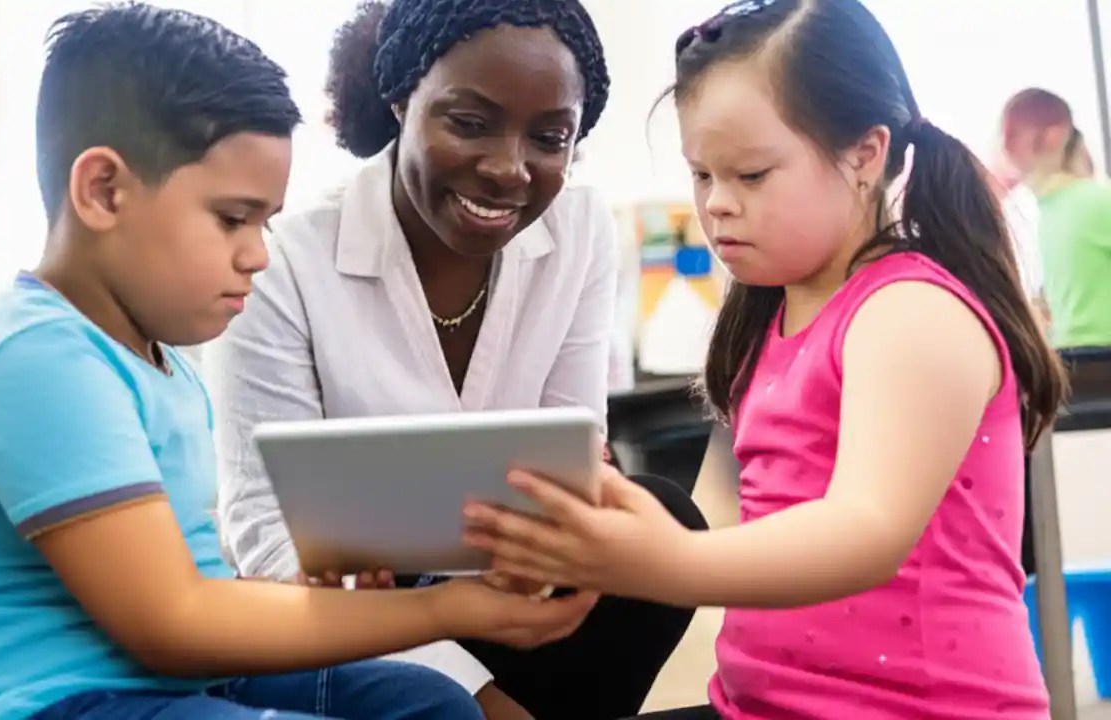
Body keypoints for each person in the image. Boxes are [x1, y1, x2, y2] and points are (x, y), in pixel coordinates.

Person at [0, 5, 600, 719]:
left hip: (141, 682)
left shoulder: (157, 362)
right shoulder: (33, 357)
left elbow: (201, 591)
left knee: (426, 703)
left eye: (266, 222)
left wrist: (324, 590)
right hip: (21, 702)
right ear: (104, 190)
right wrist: (444, 607)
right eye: (233, 219)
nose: (259, 255)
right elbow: (171, 621)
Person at [462, 1, 1069, 718]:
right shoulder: (773, 312)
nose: (717, 205)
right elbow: (759, 528)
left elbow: (866, 530)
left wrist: (662, 560)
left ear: (865, 155)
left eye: (750, 175)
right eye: (702, 175)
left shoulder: (912, 311)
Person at [209, 1, 704, 718]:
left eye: (550, 137)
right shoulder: (285, 258)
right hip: (354, 609)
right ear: (401, 98)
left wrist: (531, 566)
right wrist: (467, 683)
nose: (510, 170)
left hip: (513, 578)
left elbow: (574, 452)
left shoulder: (580, 229)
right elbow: (263, 531)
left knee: (665, 521)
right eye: (469, 123)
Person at [999, 88, 1111, 350]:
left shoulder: (1096, 201)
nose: (1004, 146)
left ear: (1054, 136)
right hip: (1070, 364)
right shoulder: (1045, 211)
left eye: (1013, 135)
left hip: (1097, 365)